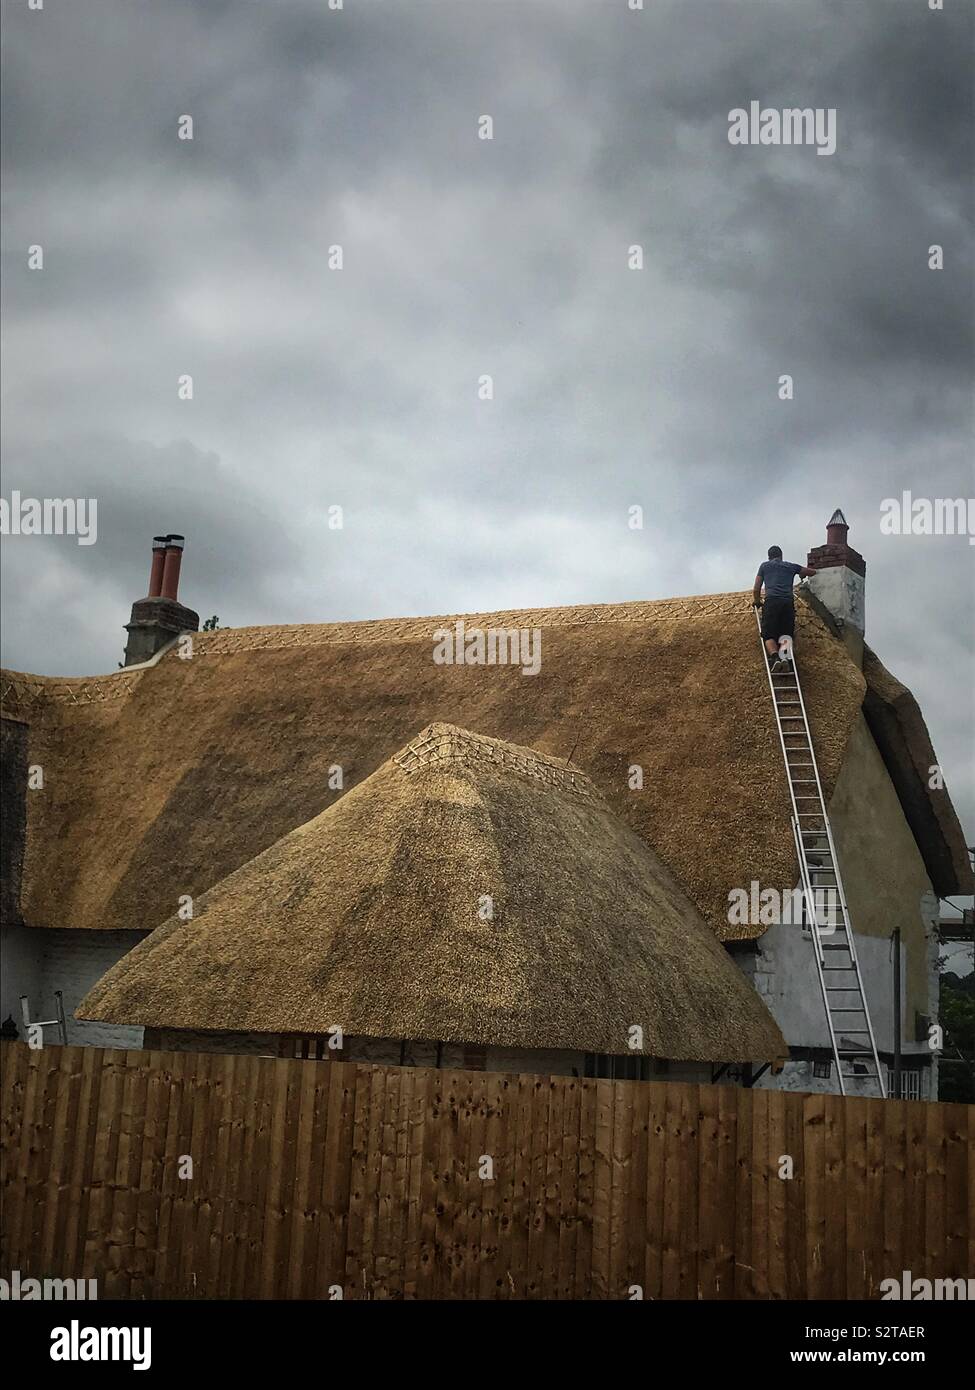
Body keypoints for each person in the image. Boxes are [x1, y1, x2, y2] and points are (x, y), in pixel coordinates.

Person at [752, 546, 817, 672]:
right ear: (781, 556)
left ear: (769, 556)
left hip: (772, 602)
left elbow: (756, 588)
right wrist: (802, 572)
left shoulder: (765, 566)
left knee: (768, 633)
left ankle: (775, 658)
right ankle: (785, 659)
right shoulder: (791, 566)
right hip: (787, 603)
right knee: (786, 633)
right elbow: (812, 572)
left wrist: (757, 601)